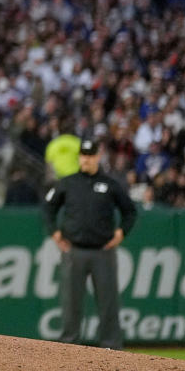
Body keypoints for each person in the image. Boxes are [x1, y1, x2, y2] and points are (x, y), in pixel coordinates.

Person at [44, 137, 139, 351]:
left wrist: (122, 232)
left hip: (102, 251)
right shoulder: (67, 183)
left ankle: (111, 346)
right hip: (74, 250)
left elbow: (130, 211)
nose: (86, 159)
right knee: (71, 302)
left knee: (108, 302)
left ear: (98, 156)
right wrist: (54, 232)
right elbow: (48, 207)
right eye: (83, 155)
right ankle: (69, 346)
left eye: (90, 155)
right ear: (79, 157)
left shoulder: (110, 184)